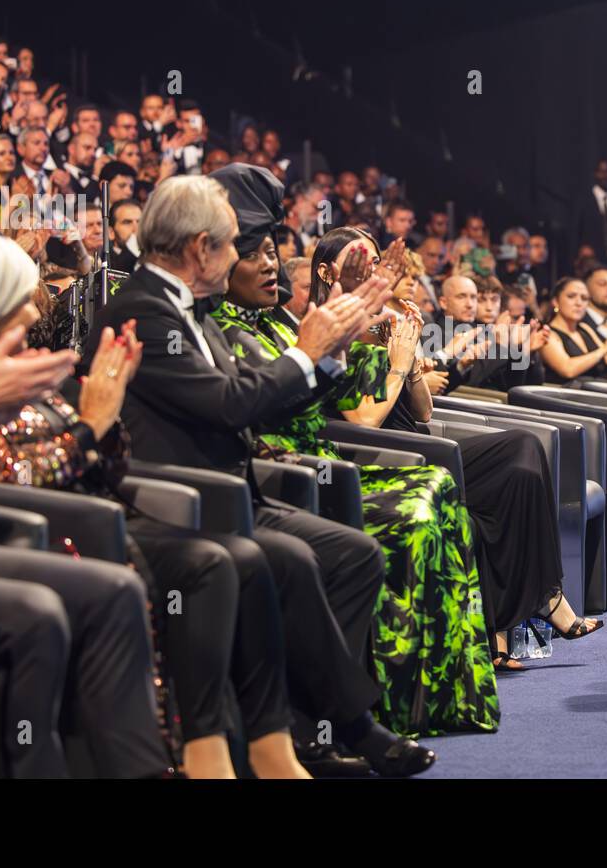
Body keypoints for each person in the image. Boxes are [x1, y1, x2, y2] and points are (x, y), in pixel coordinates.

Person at [0, 231, 308, 779]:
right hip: (35, 539)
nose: (33, 306)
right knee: (203, 564)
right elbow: (8, 480)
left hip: (90, 518)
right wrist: (89, 427)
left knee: (242, 560)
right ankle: (178, 757)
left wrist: (104, 417)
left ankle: (243, 746)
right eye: (20, 295)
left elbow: (100, 465)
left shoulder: (20, 367)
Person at [86, 174, 436, 776]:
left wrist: (334, 333)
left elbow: (265, 396)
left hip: (232, 491)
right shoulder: (143, 311)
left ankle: (315, 731)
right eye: (233, 246)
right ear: (200, 249)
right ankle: (325, 735)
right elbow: (229, 403)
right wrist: (308, 350)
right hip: (183, 502)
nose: (246, 259)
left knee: (354, 556)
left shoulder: (190, 306)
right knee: (289, 561)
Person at [208, 167, 498, 735]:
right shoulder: (227, 327)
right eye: (256, 254)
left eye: (273, 252)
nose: (270, 265)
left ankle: (438, 694)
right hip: (297, 471)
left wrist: (366, 334)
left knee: (439, 486)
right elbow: (318, 409)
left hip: (327, 456)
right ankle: (390, 707)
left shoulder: (270, 324)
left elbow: (351, 396)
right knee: (420, 502)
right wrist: (368, 346)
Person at [312, 228, 602, 672]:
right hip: (385, 455)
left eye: (374, 261)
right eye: (361, 261)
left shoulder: (386, 319)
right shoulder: (329, 330)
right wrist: (399, 363)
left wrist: (409, 365)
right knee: (499, 491)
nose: (373, 269)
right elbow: (364, 420)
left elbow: (423, 411)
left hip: (420, 439)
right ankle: (525, 615)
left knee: (523, 451)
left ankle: (541, 599)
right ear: (328, 271)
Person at [540, 276, 607, 385]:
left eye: (584, 298)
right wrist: (606, 347)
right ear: (556, 301)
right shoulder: (547, 334)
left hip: (597, 390)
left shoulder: (585, 328)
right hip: (566, 397)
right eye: (571, 296)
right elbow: (567, 369)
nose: (579, 303)